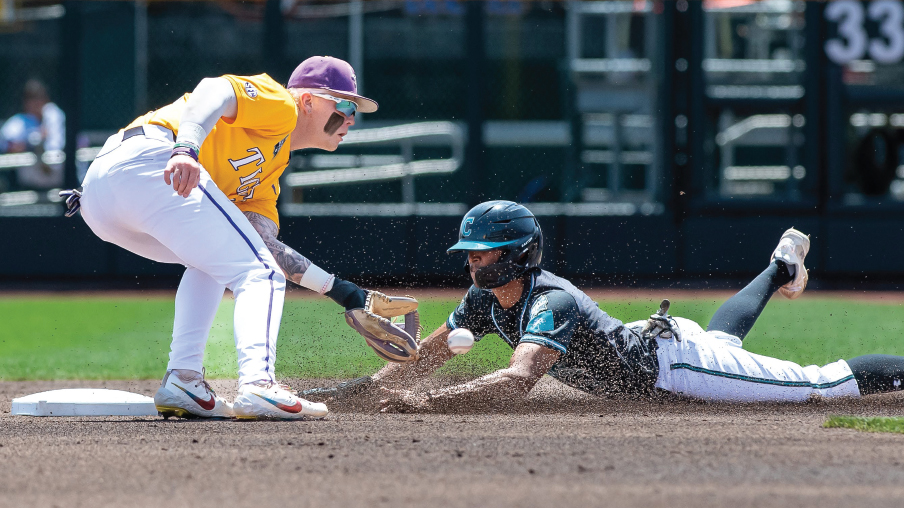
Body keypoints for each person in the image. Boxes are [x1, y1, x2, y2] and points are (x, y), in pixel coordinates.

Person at [61, 56, 416, 420]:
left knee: (217, 263)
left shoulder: (269, 177)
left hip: (104, 202)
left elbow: (262, 247)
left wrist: (345, 293)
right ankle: (259, 384)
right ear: (308, 101)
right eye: (344, 106)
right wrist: (186, 148)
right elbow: (212, 90)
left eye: (354, 110)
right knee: (260, 274)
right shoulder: (282, 106)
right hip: (151, 157)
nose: (351, 118)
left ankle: (184, 379)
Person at [307, 200, 904, 410]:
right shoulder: (483, 299)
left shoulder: (551, 299)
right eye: (469, 254)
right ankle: (780, 267)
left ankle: (780, 268)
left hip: (673, 367)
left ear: (518, 255)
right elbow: (423, 357)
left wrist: (428, 404)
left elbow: (518, 380)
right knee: (724, 341)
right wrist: (355, 391)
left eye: (483, 254)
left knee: (820, 386)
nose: (472, 263)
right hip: (653, 341)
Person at [0, 78, 66, 189]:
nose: (36, 103)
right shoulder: (19, 122)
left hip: (57, 180)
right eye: (31, 99)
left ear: (45, 99)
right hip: (28, 182)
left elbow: (57, 146)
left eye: (38, 98)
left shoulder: (53, 114)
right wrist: (26, 144)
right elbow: (6, 143)